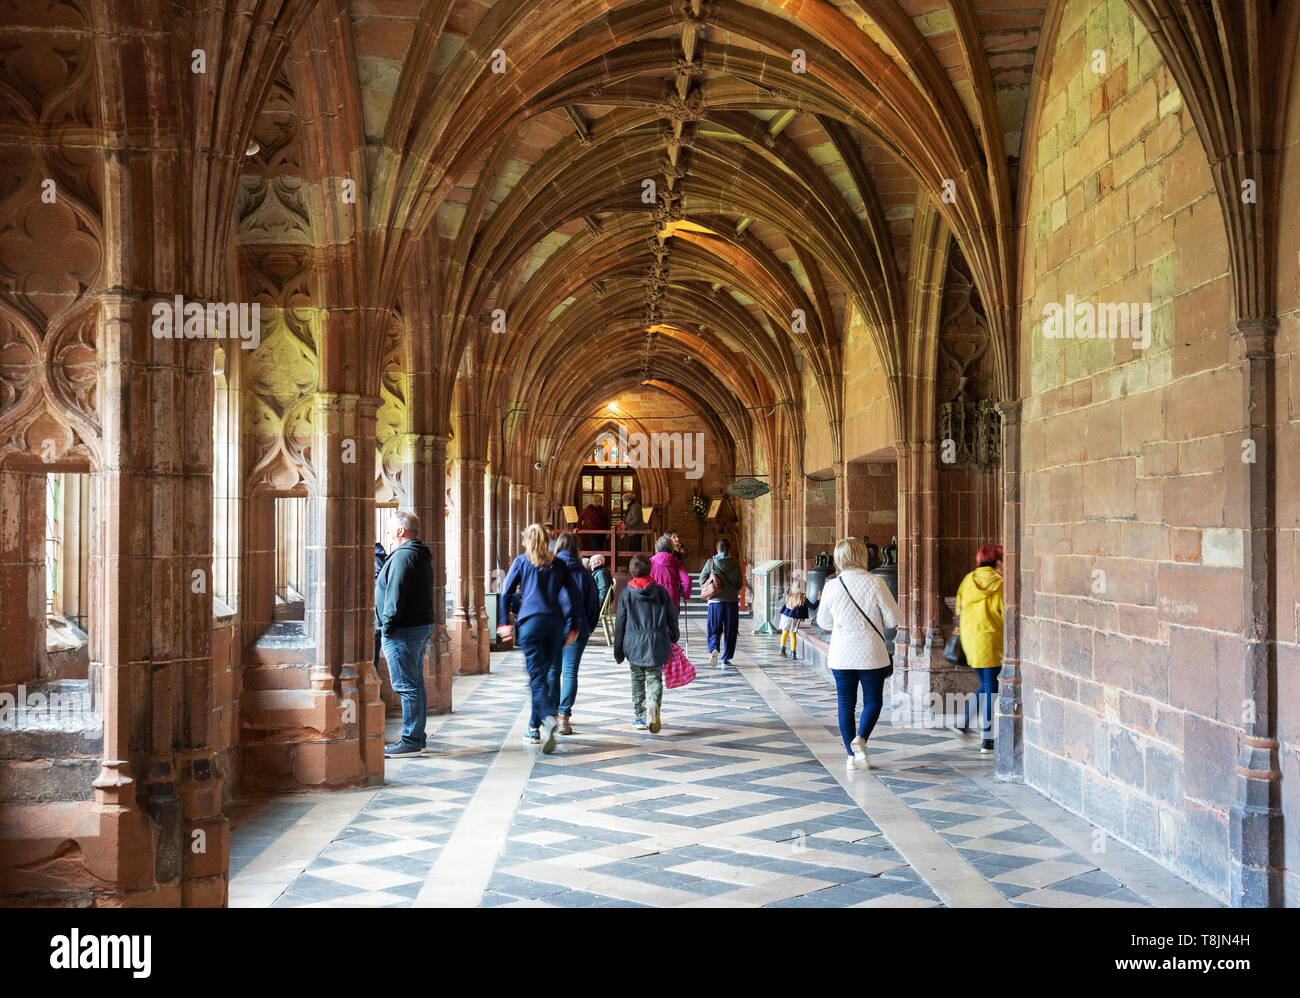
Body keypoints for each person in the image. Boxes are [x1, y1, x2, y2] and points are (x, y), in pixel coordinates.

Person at [816, 537, 900, 771]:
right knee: (873, 701)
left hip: (841, 654)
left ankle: (850, 756)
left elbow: (823, 622)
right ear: (862, 555)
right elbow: (893, 620)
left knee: (845, 704)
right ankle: (861, 739)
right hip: (871, 652)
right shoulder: (876, 582)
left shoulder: (832, 585)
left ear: (839, 557)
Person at [498, 523, 582, 754]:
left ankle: (546, 717)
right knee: (542, 676)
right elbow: (574, 597)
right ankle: (533, 727)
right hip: (554, 625)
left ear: (527, 541)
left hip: (530, 623)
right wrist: (574, 626)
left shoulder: (522, 561)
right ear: (547, 541)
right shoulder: (559, 563)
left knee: (537, 678)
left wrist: (505, 622)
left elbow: (505, 593)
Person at [374, 512, 436, 757]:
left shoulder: (403, 556)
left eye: (390, 529)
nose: (387, 533)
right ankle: (416, 737)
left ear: (401, 531)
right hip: (416, 626)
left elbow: (395, 596)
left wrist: (387, 627)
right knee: (415, 683)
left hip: (403, 630)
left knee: (407, 686)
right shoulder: (418, 553)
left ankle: (410, 740)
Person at [614, 553, 678, 733]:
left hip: (633, 643)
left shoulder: (626, 594)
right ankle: (654, 707)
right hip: (657, 642)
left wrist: (618, 648)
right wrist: (674, 635)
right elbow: (671, 617)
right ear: (650, 570)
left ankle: (639, 716)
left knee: (637, 678)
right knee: (654, 677)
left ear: (631, 572)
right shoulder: (661, 592)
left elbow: (620, 623)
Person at [954, 542, 1005, 756]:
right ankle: (987, 739)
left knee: (986, 685)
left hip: (972, 641)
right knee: (990, 688)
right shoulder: (1001, 583)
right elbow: (1006, 613)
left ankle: (965, 723)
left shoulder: (968, 580)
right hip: (992, 641)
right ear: (998, 561)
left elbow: (959, 610)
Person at [550, 532, 600, 734]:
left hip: (553, 626)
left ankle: (551, 714)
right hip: (578, 627)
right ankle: (564, 718)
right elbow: (593, 603)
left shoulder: (550, 569)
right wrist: (588, 626)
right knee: (570, 671)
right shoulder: (584, 573)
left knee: (553, 671)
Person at [698, 538, 743, 666]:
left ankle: (714, 648)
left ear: (717, 549)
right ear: (728, 549)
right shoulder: (735, 563)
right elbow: (739, 584)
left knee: (714, 628)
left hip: (715, 602)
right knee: (730, 630)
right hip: (731, 601)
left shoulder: (711, 562)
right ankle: (726, 657)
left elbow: (701, 580)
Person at [778, 580, 818, 660]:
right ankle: (793, 653)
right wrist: (818, 599)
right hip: (795, 619)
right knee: (793, 634)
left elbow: (783, 606)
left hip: (786, 616)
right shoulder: (803, 598)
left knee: (784, 632)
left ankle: (782, 649)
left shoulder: (789, 596)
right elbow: (813, 607)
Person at [650, 533, 692, 606]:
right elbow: (687, 581)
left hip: (655, 597)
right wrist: (686, 597)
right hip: (672, 597)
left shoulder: (651, 561)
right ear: (671, 548)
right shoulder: (675, 561)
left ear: (657, 548)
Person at [373, 539, 388, 680]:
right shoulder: (380, 556)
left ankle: (376, 696)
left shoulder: (375, 559)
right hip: (377, 618)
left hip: (374, 619)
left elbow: (377, 588)